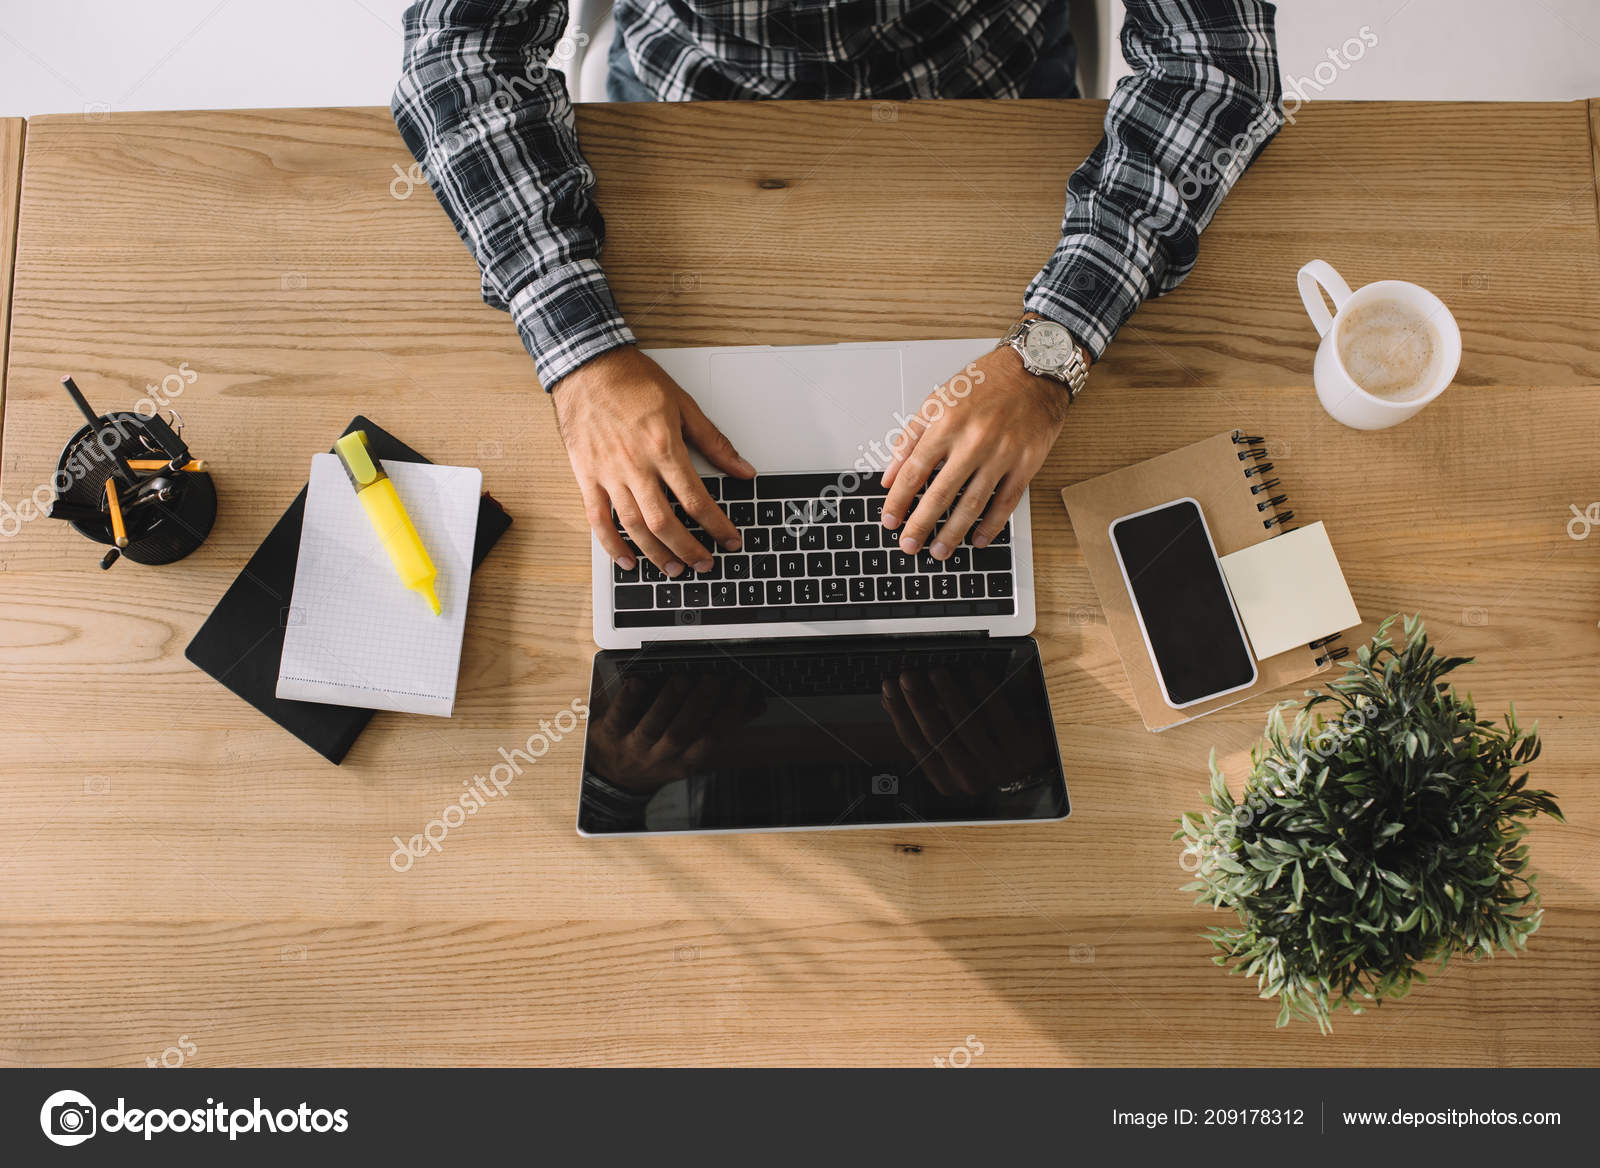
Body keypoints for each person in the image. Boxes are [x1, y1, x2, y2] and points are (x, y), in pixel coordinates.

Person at [393, 1, 1282, 577]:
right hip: (680, 127)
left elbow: (1213, 62)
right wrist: (581, 357)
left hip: (991, 121)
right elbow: (460, 50)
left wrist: (1056, 354)